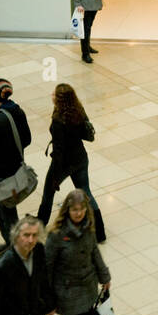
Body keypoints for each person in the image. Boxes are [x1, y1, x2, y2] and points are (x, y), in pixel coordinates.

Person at [45, 189, 110, 315]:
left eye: (81, 209)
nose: (78, 213)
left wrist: (104, 277)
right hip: (67, 293)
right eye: (74, 209)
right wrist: (48, 300)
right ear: (67, 210)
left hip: (88, 288)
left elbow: (95, 253)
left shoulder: (88, 229)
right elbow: (46, 268)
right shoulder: (57, 236)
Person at [37, 83, 106, 241]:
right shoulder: (78, 110)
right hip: (81, 158)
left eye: (53, 94)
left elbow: (59, 152)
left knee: (48, 193)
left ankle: (40, 224)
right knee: (86, 192)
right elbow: (84, 132)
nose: (51, 95)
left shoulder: (58, 121)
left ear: (59, 99)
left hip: (64, 163)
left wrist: (55, 176)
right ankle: (100, 232)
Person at [0, 78, 32, 251]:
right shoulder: (19, 111)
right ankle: (14, 243)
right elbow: (27, 139)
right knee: (7, 206)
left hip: (3, 174)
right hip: (17, 167)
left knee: (4, 207)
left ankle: (15, 246)